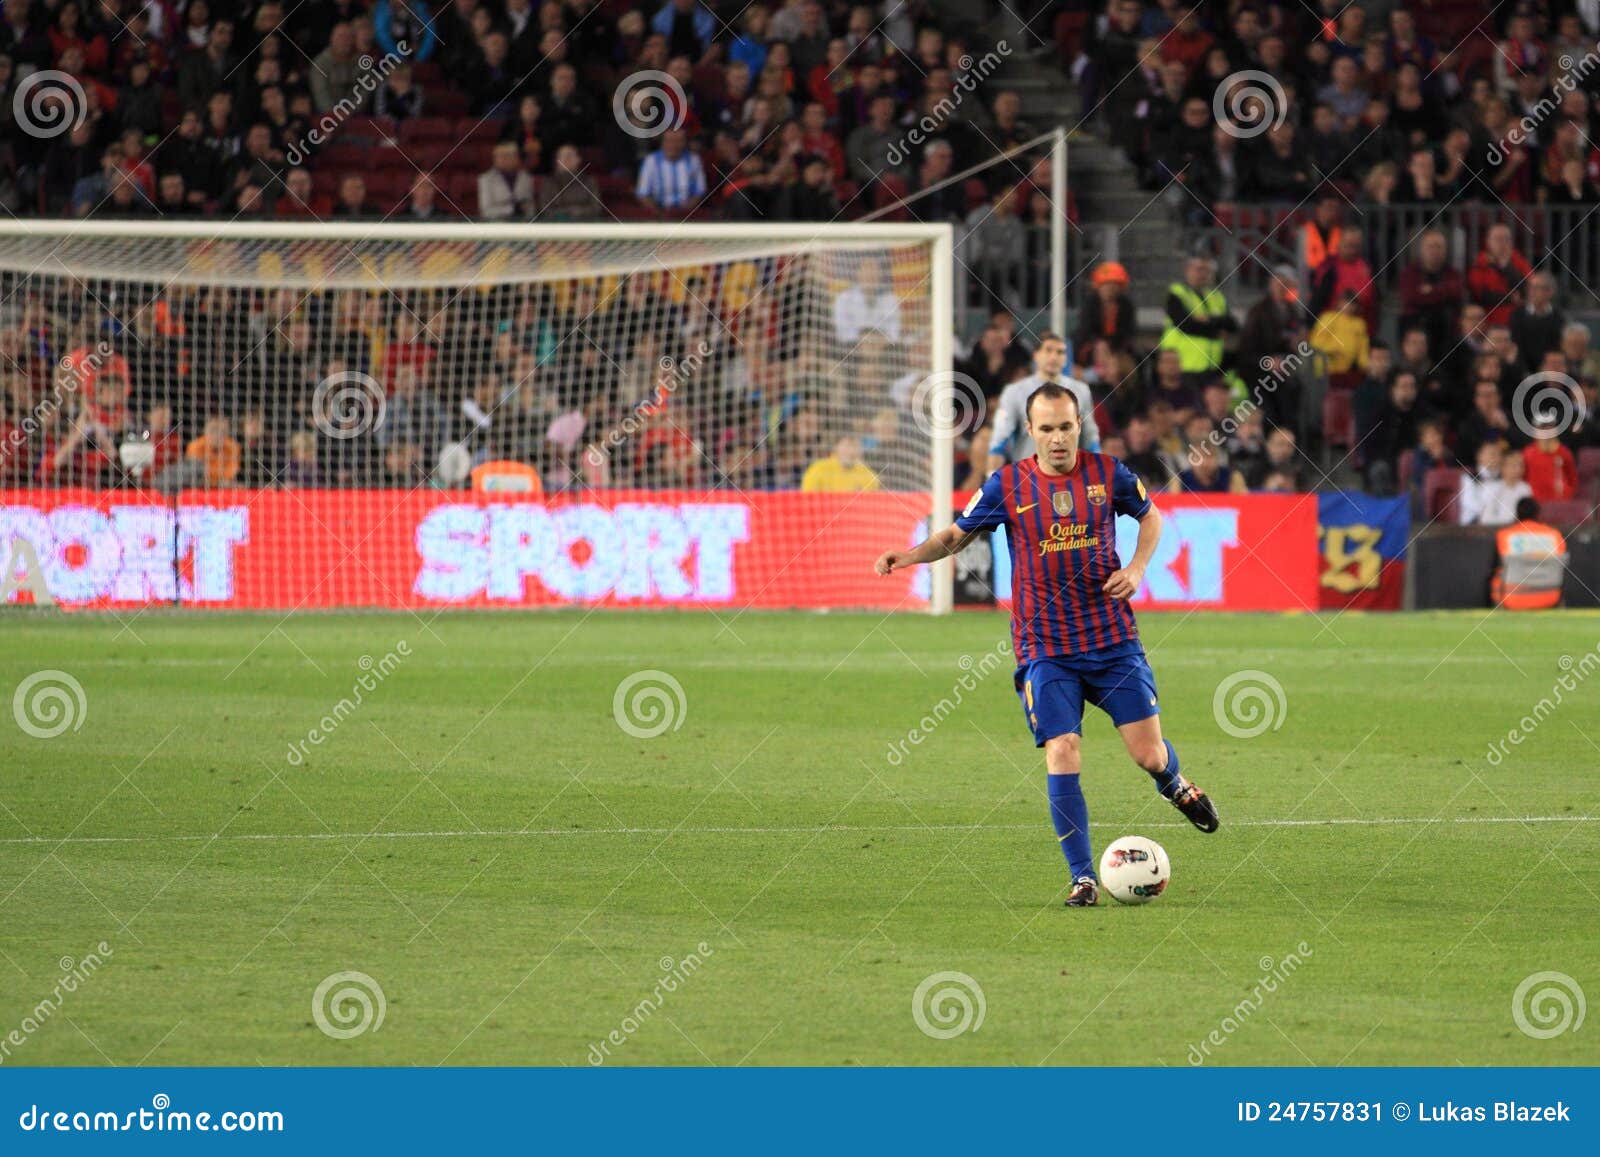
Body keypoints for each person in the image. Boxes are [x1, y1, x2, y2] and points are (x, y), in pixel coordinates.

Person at [872, 383, 1219, 909]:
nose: (1058, 438)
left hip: (1112, 641)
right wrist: (910, 555)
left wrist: (1138, 567)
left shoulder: (1110, 475)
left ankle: (1174, 784)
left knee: (1147, 754)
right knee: (1063, 749)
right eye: (1047, 428)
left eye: (1066, 426)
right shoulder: (1007, 484)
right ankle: (1082, 877)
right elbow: (955, 536)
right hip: (1045, 649)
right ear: (1029, 431)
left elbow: (1151, 517)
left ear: (1080, 424)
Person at [986, 332, 1099, 471]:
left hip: (1070, 477)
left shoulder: (1081, 390)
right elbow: (999, 440)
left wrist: (1096, 474)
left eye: (1060, 352)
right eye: (1048, 350)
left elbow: (1090, 437)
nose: (1054, 357)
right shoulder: (1014, 392)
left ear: (1065, 359)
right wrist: (991, 477)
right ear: (1036, 355)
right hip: (1029, 476)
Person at [1491, 497, 1568, 609]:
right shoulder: (1554, 535)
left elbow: (1495, 568)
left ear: (1517, 513)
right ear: (1538, 514)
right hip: (1549, 598)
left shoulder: (1504, 535)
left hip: (1512, 599)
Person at [800, 435, 879, 492]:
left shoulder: (868, 475)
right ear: (836, 447)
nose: (851, 451)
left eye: (856, 446)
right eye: (848, 445)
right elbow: (807, 496)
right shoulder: (819, 468)